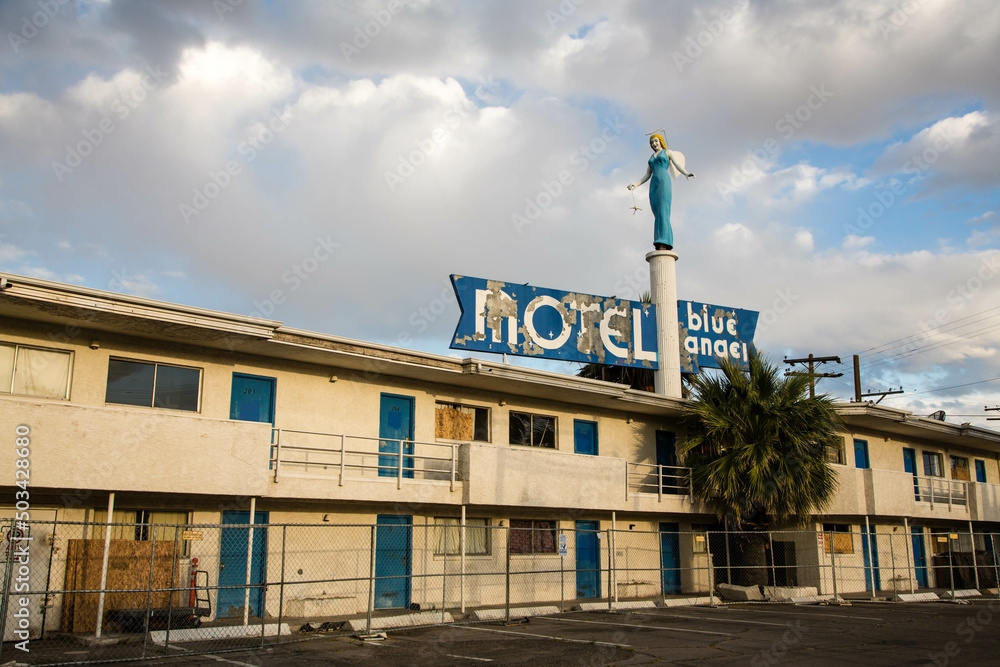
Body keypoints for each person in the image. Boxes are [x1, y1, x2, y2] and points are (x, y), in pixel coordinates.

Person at [627, 134, 695, 250]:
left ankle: (665, 241)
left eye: (656, 141)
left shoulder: (667, 152)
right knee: (657, 212)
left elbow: (677, 164)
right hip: (654, 184)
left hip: (664, 181)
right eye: (652, 142)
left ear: (661, 141)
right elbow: (648, 174)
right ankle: (659, 239)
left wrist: (686, 173)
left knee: (664, 210)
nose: (654, 144)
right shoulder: (651, 157)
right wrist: (636, 184)